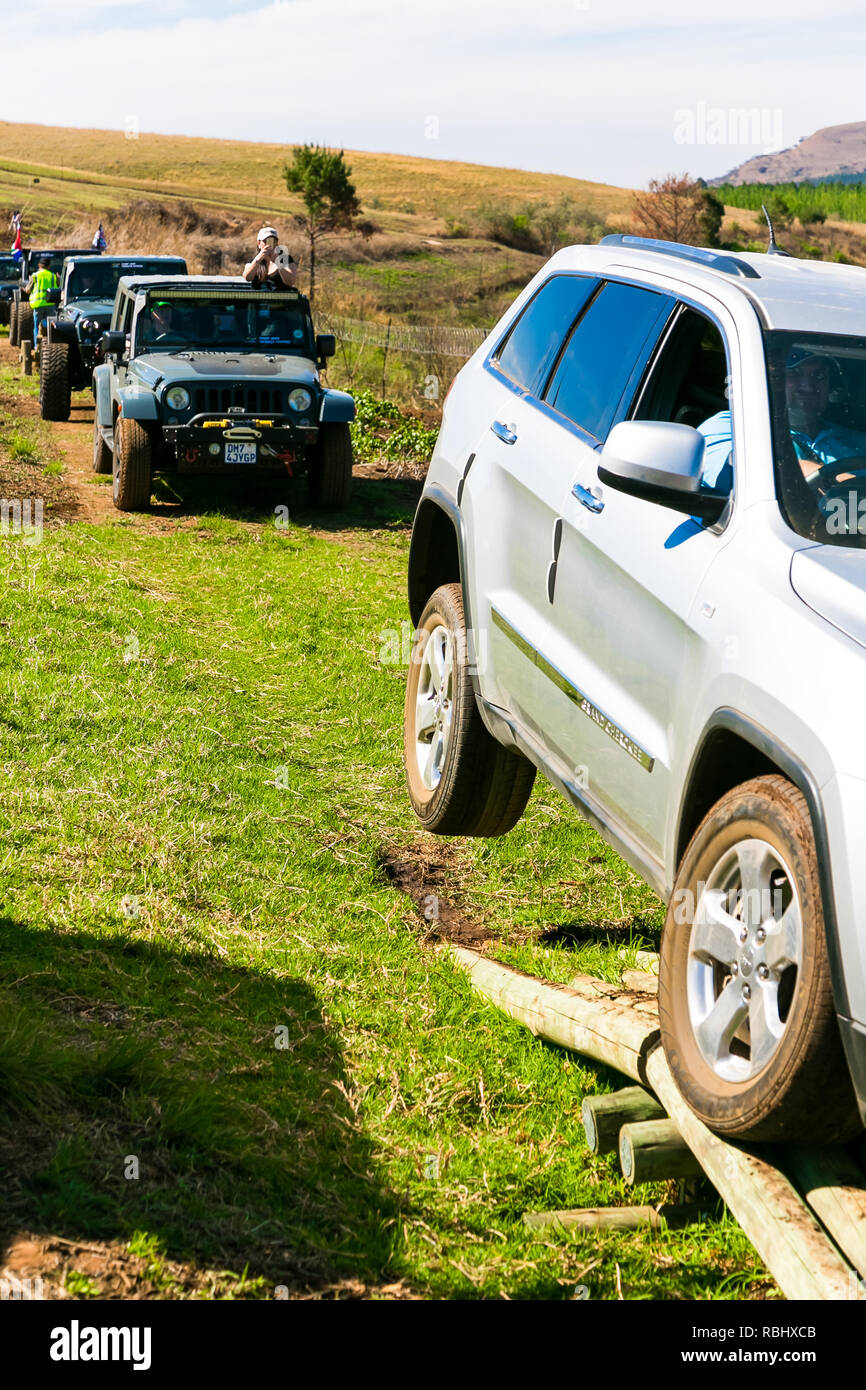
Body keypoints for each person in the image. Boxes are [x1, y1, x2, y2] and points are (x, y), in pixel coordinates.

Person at [697, 347, 866, 494]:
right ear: (771, 379)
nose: (808, 386)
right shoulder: (730, 427)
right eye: (794, 373)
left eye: (819, 375)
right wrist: (849, 485)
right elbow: (751, 466)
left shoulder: (857, 442)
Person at [28, 256, 59, 348]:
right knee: (52, 326)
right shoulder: (53, 276)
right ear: (49, 266)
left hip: (38, 305)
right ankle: (51, 345)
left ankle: (37, 346)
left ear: (39, 265)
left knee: (37, 326)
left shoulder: (35, 276)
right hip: (50, 304)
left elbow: (28, 290)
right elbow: (58, 288)